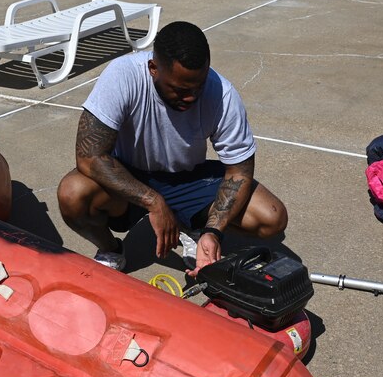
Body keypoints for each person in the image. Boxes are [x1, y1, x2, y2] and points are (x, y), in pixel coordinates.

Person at [57, 21, 287, 274]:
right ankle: (111, 248)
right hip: (129, 172)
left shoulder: (222, 94)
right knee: (72, 193)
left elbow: (240, 171)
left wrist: (214, 232)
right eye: (179, 89)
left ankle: (195, 227)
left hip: (187, 178)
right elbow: (89, 156)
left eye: (197, 87)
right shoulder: (123, 75)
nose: (191, 97)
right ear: (153, 68)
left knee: (271, 217)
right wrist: (154, 201)